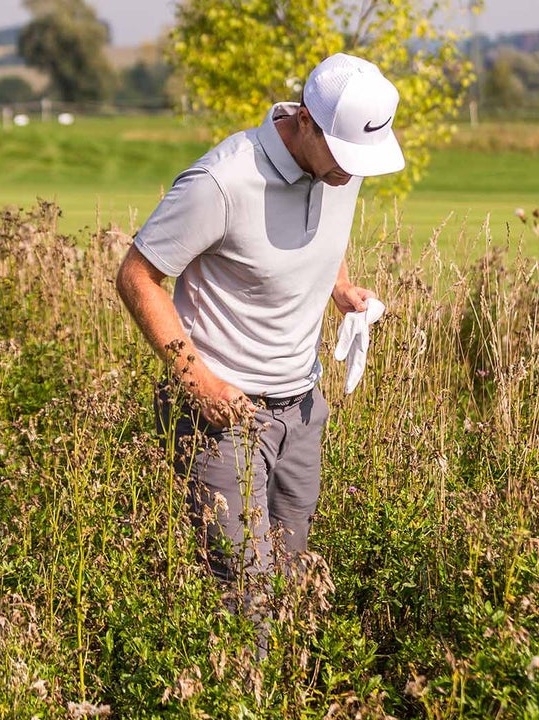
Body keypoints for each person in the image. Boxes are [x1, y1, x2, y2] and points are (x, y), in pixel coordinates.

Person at [115, 53, 404, 595]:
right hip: (222, 417)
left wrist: (339, 288)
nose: (354, 171)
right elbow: (137, 276)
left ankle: (286, 682)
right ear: (306, 122)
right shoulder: (221, 182)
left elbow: (322, 227)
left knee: (296, 582)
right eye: (345, 155)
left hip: (302, 409)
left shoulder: (341, 164)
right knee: (242, 595)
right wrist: (196, 382)